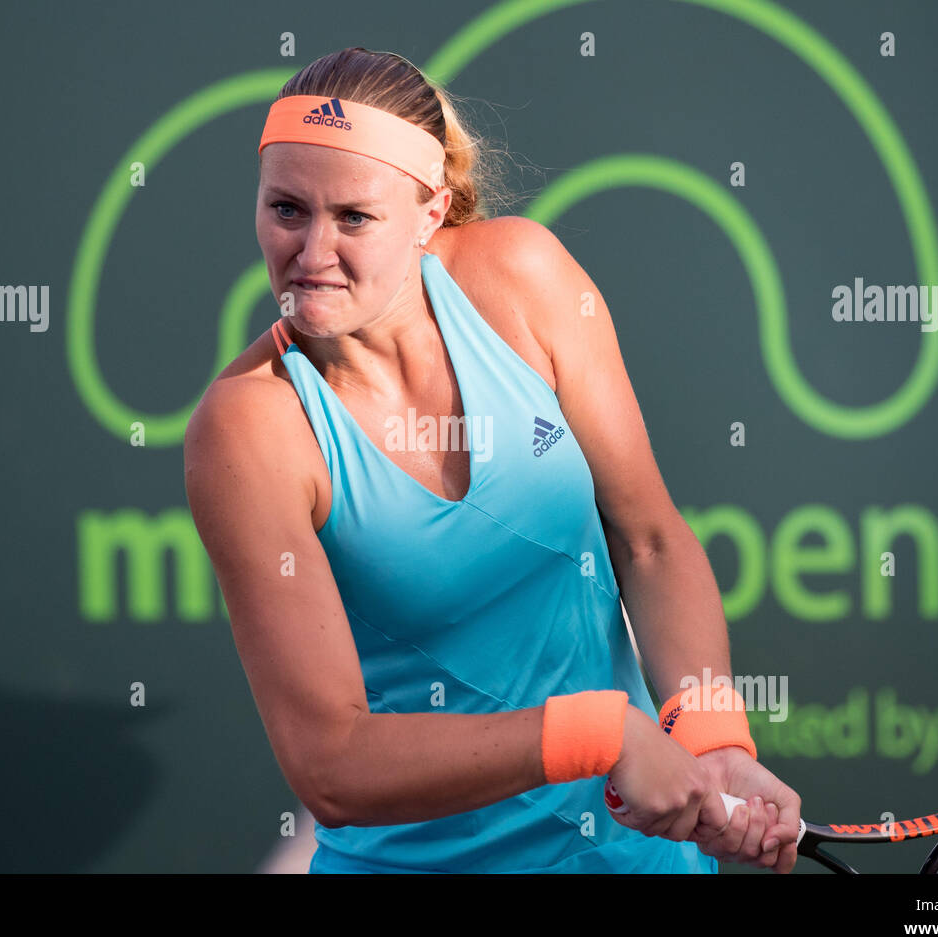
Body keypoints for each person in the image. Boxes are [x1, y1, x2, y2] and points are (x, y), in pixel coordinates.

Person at [185, 46, 801, 873]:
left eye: (354, 218)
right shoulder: (247, 428)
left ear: (431, 212)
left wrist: (714, 736)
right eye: (287, 209)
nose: (312, 252)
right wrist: (597, 733)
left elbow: (649, 541)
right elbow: (332, 762)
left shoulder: (524, 277)